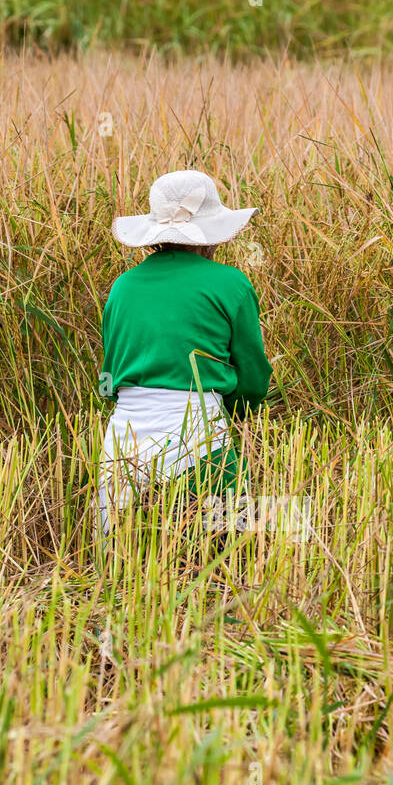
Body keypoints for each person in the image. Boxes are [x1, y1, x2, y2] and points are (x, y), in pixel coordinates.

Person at [97, 169, 272, 537]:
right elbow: (254, 377)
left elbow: (109, 380)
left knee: (119, 558)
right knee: (230, 553)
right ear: (213, 234)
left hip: (122, 443)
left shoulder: (122, 287)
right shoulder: (230, 283)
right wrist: (241, 410)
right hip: (200, 438)